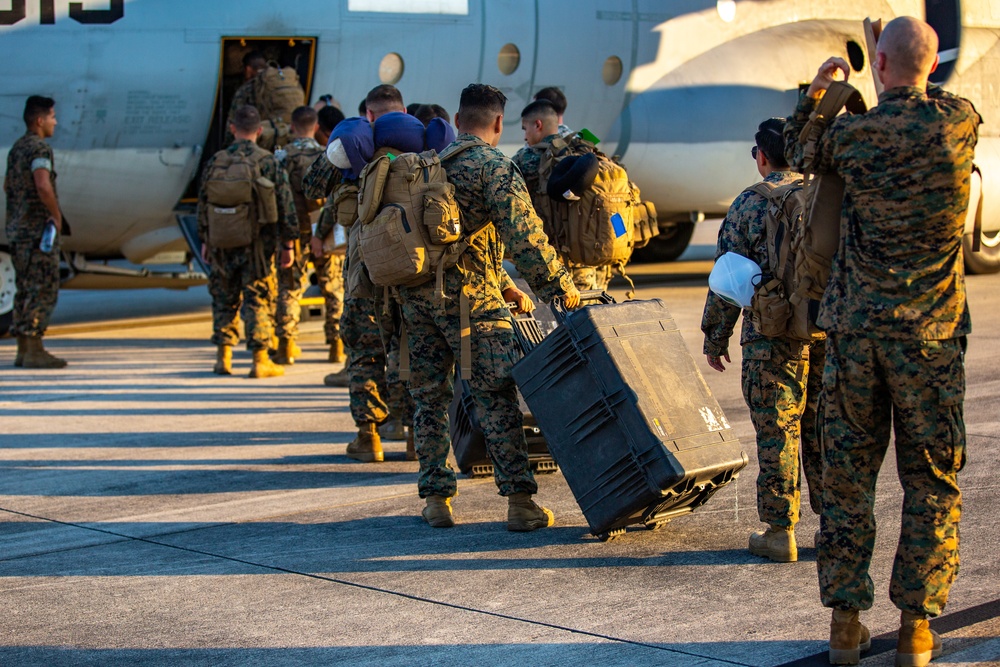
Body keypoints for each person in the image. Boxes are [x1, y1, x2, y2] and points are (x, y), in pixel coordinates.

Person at [783, 17, 980, 667]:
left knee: (847, 482)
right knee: (931, 481)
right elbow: (932, 89)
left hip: (856, 334)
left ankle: (845, 623)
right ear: (929, 65)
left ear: (880, 62)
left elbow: (797, 150)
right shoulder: (957, 123)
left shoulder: (853, 133)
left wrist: (823, 91)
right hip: (929, 336)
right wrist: (893, 66)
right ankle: (917, 629)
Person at [396, 83, 580, 530]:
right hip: (473, 307)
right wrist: (559, 286)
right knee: (495, 399)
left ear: (457, 122)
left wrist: (505, 283)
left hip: (417, 303)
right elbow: (525, 237)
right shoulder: (495, 166)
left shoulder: (427, 168)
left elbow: (452, 241)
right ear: (498, 123)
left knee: (429, 401)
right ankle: (520, 503)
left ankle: (436, 499)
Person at [701, 118, 824, 564]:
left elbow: (728, 279)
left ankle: (780, 531)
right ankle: (833, 529)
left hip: (771, 335)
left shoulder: (748, 204)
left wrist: (715, 338)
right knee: (824, 429)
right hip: (825, 330)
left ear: (762, 156)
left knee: (778, 431)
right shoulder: (821, 197)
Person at [198, 105, 298, 378]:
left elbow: (203, 203)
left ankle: (223, 357)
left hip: (220, 241)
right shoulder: (267, 161)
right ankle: (259, 360)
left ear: (232, 129)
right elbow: (286, 206)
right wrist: (288, 244)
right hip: (258, 244)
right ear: (259, 130)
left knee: (223, 297)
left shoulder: (216, 160)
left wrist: (206, 239)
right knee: (257, 298)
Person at [512, 99, 612, 291]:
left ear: (538, 125)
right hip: (588, 259)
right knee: (589, 317)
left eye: (525, 129)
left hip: (552, 264)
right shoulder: (584, 150)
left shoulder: (526, 159)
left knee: (555, 319)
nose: (525, 136)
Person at [5, 95, 66, 369]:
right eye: (52, 117)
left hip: (17, 231)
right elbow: (43, 185)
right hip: (36, 233)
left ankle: (23, 349)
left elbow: (8, 185)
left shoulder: (16, 149)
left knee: (24, 289)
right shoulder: (39, 150)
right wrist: (54, 214)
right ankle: (35, 349)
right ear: (40, 121)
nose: (56, 122)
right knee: (43, 289)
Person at [272, 106, 325, 365]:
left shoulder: (282, 157)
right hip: (322, 231)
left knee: (289, 288)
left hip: (292, 233)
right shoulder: (326, 155)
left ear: (292, 127)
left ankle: (286, 345)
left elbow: (279, 200)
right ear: (315, 127)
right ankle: (336, 345)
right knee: (333, 286)